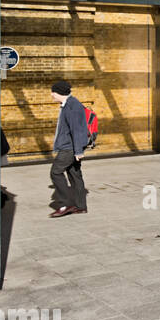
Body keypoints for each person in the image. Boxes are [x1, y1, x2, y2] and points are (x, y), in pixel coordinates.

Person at [49, 80, 89, 217]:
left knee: (55, 172)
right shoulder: (67, 104)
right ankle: (80, 206)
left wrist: (78, 151)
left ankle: (65, 204)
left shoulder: (72, 106)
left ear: (58, 92)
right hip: (71, 147)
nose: (51, 95)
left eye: (52, 92)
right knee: (75, 175)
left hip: (69, 148)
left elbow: (77, 130)